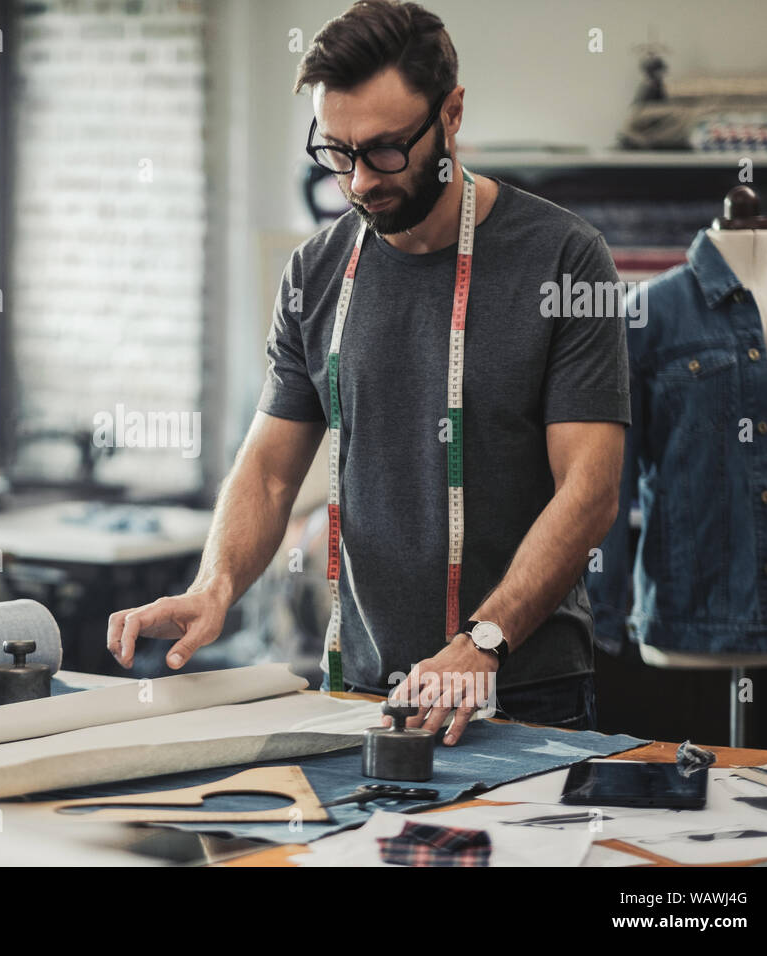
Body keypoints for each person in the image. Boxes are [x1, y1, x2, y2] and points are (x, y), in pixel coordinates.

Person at [106, 0, 629, 744]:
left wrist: (481, 642)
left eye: (385, 151)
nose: (357, 183)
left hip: (525, 691)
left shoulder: (567, 261)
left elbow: (592, 491)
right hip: (358, 694)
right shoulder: (315, 273)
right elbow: (269, 471)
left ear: (451, 115)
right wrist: (213, 586)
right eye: (336, 152)